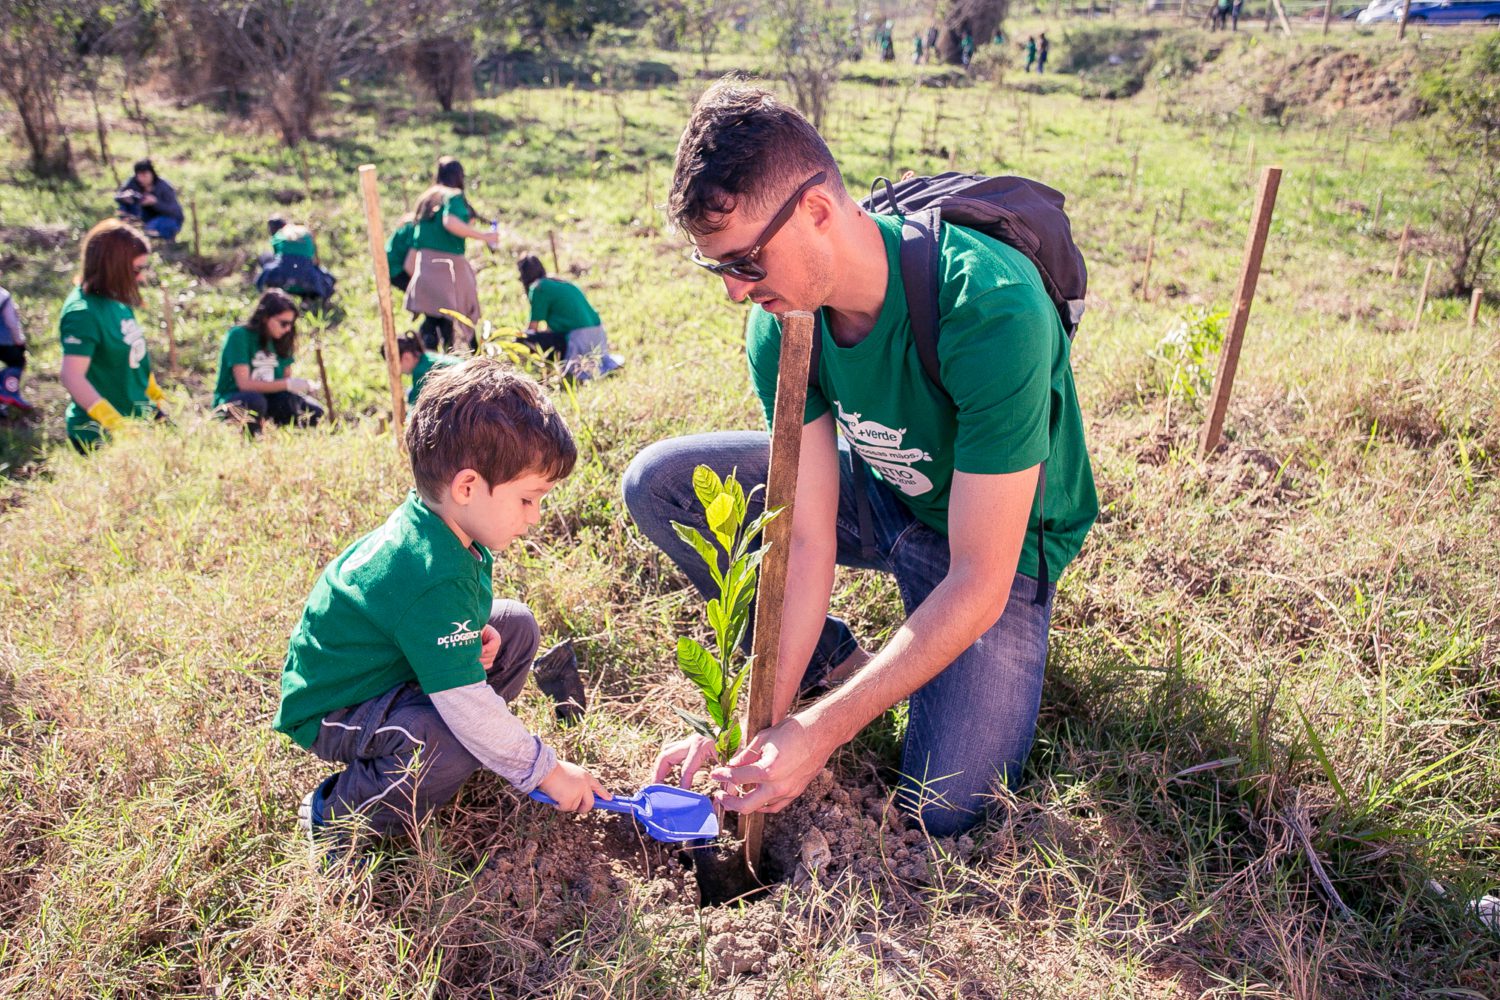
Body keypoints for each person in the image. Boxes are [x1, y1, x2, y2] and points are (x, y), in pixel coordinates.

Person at [626, 82, 1096, 837]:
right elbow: (805, 538)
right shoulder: (782, 326)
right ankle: (838, 659)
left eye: (747, 260)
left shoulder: (991, 308)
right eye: (719, 269)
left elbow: (979, 579)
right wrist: (754, 724)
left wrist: (820, 733)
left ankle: (890, 674)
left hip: (997, 552)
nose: (736, 292)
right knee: (660, 483)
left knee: (940, 810)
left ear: (817, 209)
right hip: (887, 494)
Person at [273, 358, 609, 850]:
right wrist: (548, 772)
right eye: (528, 499)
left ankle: (471, 746)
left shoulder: (446, 524)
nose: (536, 517)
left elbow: (433, 619)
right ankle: (335, 815)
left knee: (514, 627)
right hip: (336, 701)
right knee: (438, 745)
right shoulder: (430, 572)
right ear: (467, 487)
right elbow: (443, 642)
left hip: (390, 665)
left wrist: (470, 633)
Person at [59, 219, 169, 451]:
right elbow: (72, 376)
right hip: (100, 433)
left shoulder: (116, 300)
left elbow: (132, 353)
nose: (141, 278)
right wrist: (113, 422)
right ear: (113, 266)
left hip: (139, 419)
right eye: (136, 269)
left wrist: (154, 395)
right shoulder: (82, 313)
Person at [404, 157, 499, 353]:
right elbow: (450, 222)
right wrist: (484, 236)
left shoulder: (427, 197)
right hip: (448, 266)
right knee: (459, 315)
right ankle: (470, 358)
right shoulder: (453, 196)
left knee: (434, 317)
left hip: (425, 266)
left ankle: (428, 361)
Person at [212, 289, 324, 433]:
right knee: (255, 401)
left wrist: (300, 387)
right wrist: (288, 384)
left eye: (291, 324)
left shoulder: (283, 340)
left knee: (314, 411)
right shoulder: (239, 336)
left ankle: (284, 439)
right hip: (236, 400)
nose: (288, 329)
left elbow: (283, 387)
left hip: (269, 400)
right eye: (283, 323)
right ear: (265, 317)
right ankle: (251, 439)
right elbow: (244, 384)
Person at [517, 255, 622, 381]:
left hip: (578, 340)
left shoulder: (539, 287)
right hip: (598, 337)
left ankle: (531, 375)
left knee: (523, 340)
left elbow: (532, 328)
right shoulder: (559, 281)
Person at [255, 216, 336, 304]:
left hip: (283, 279)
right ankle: (307, 300)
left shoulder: (279, 235)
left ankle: (274, 299)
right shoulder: (306, 233)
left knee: (266, 257)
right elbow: (315, 261)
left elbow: (277, 258)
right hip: (308, 281)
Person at [114, 159, 184, 241]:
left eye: (145, 175)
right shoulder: (133, 182)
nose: (141, 179)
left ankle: (159, 237)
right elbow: (118, 196)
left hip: (166, 218)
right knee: (123, 207)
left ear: (152, 174)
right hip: (143, 215)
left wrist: (155, 203)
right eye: (139, 175)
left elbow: (175, 211)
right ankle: (126, 228)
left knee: (154, 227)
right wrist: (125, 198)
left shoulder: (164, 187)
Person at [391, 331, 460, 405]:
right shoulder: (427, 357)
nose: (398, 371)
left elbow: (415, 402)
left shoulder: (420, 371)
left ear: (406, 357)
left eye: (395, 365)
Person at [0, 286, 33, 413]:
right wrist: (19, 341)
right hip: (3, 342)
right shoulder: (3, 295)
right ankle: (8, 391)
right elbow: (12, 323)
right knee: (17, 362)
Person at [386, 213, 417, 292]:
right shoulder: (415, 228)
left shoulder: (410, 224)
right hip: (396, 269)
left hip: (391, 266)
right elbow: (409, 266)